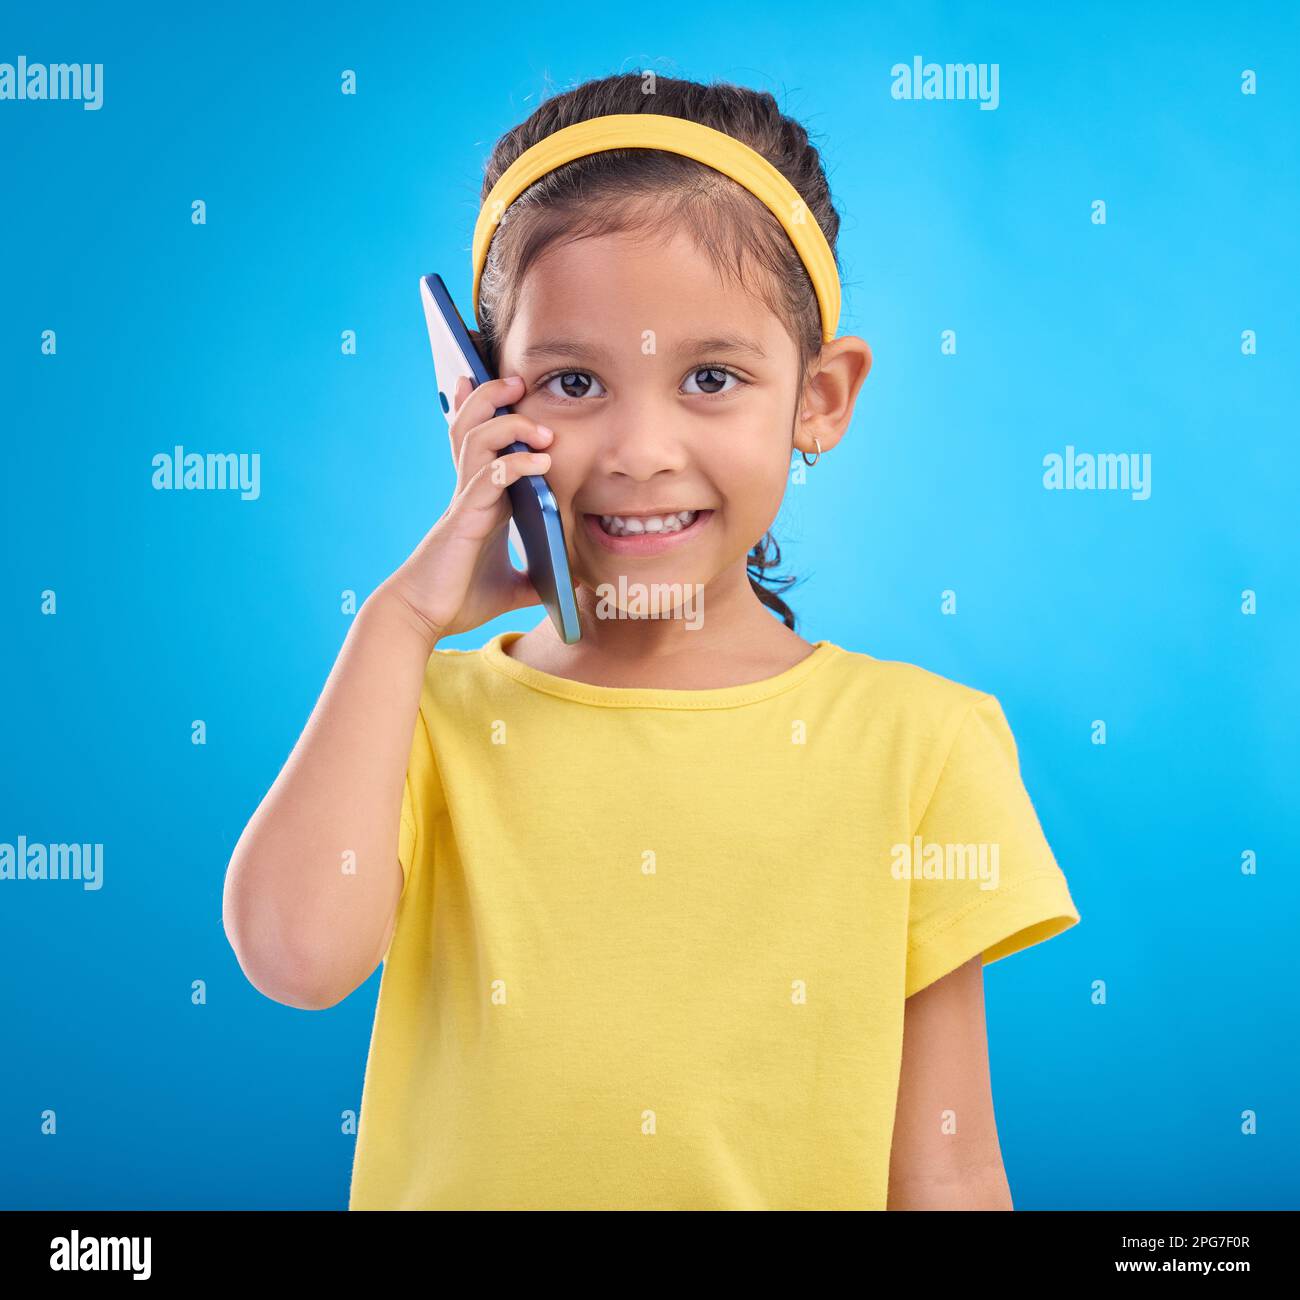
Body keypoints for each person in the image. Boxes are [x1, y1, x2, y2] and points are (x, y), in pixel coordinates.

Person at [222, 72, 1081, 1211]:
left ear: (819, 398)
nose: (638, 448)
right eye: (573, 381)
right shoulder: (416, 715)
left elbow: (948, 1162)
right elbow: (294, 959)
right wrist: (401, 620)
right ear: (476, 402)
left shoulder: (922, 744)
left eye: (710, 378)